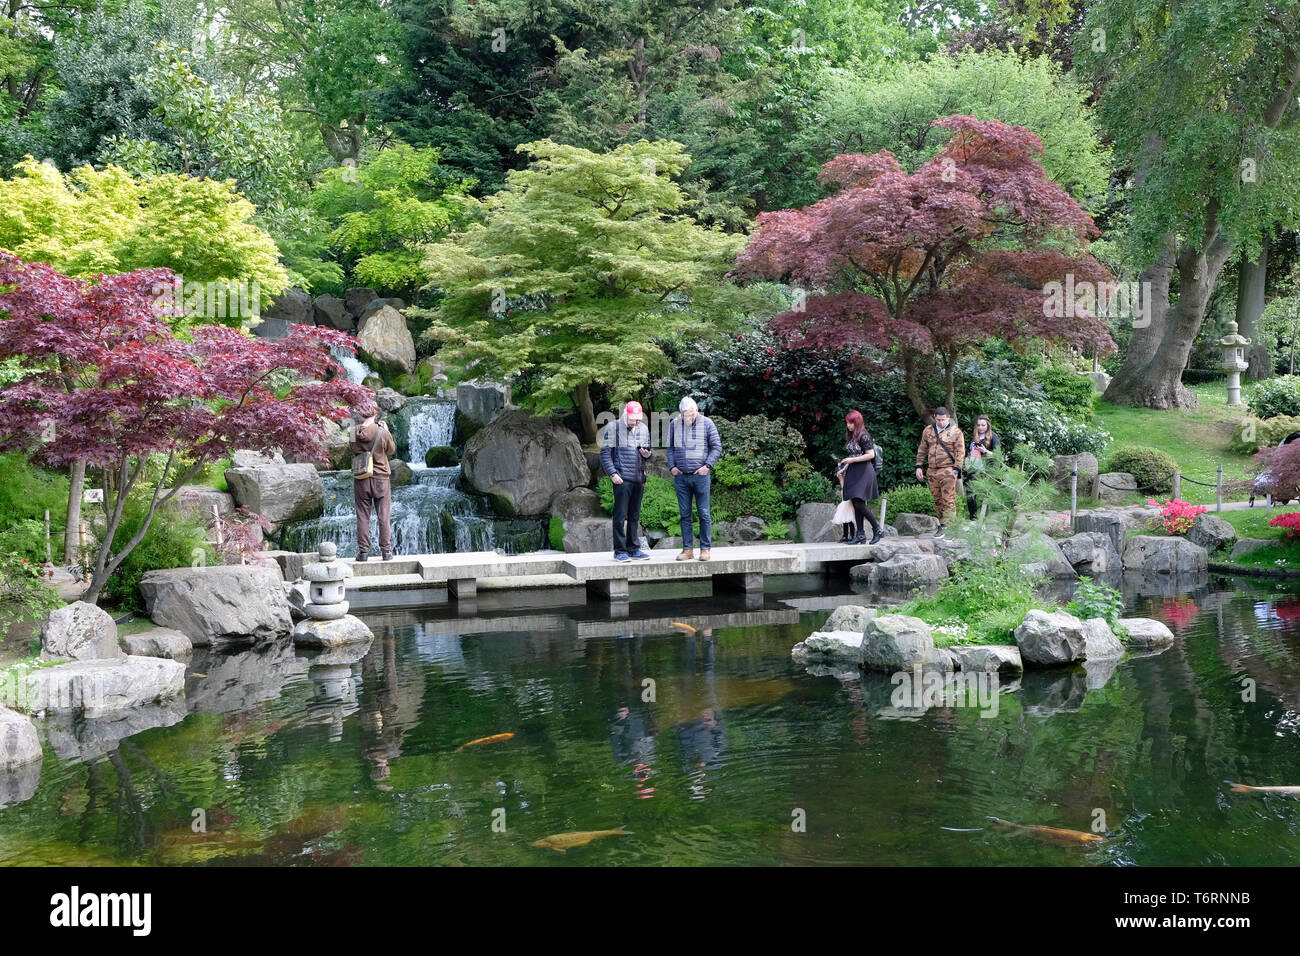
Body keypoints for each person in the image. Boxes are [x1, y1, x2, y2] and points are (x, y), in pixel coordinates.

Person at [667, 396, 722, 562]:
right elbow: (670, 448)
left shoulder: (707, 423)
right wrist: (672, 467)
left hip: (700, 476)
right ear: (681, 413)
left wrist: (707, 466)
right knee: (685, 515)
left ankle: (705, 550)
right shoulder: (674, 425)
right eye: (685, 415)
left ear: (696, 411)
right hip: (681, 477)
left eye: (691, 414)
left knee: (704, 513)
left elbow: (716, 447)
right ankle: (688, 550)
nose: (688, 418)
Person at [600, 400, 653, 561]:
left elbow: (649, 453)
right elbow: (605, 454)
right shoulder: (613, 427)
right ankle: (620, 551)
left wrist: (648, 455)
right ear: (626, 415)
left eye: (638, 418)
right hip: (622, 479)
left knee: (634, 516)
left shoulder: (643, 428)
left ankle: (633, 548)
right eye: (633, 419)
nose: (636, 422)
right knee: (620, 516)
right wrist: (613, 474)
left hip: (639, 478)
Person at [350, 402, 397, 561]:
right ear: (375, 412)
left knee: (362, 516)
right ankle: (386, 552)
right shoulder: (382, 430)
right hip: (381, 478)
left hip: (362, 477)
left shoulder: (352, 430)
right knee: (384, 516)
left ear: (362, 413)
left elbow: (352, 448)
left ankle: (363, 553)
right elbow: (391, 450)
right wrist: (387, 432)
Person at [914, 406, 965, 535]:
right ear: (935, 418)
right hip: (932, 470)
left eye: (943, 419)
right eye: (938, 420)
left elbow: (960, 452)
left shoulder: (955, 432)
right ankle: (942, 524)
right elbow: (922, 449)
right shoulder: (928, 430)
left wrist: (956, 468)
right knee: (937, 499)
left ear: (948, 417)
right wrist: (919, 466)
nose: (940, 422)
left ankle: (948, 526)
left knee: (948, 499)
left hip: (948, 469)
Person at [836, 410, 884, 545]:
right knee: (856, 503)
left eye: (851, 423)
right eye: (847, 423)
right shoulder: (852, 436)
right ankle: (860, 535)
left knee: (858, 502)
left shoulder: (864, 436)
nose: (848, 426)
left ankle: (877, 529)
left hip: (864, 472)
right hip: (853, 471)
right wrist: (845, 467)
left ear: (857, 423)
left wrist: (851, 461)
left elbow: (871, 454)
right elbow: (852, 456)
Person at [965, 414, 1001, 520]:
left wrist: (985, 451)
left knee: (985, 495)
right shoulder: (974, 437)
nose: (980, 427)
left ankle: (983, 520)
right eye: (978, 425)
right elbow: (969, 451)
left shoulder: (993, 437)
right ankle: (973, 519)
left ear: (988, 425)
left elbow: (998, 455)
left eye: (983, 425)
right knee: (970, 494)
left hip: (986, 470)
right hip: (973, 468)